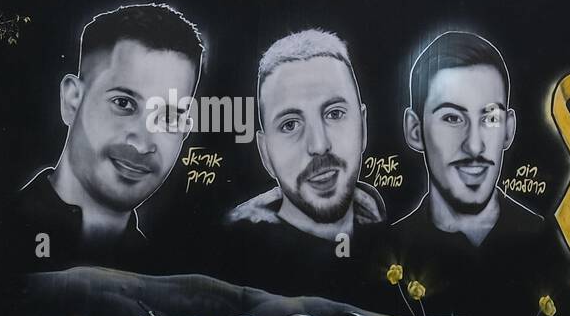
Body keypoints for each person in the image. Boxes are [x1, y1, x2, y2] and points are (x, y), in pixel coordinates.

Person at [11, 3, 204, 270]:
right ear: (72, 100)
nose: (142, 143)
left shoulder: (162, 275)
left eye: (168, 118)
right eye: (123, 103)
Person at [226, 30, 386, 254]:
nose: (319, 146)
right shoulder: (233, 258)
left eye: (335, 114)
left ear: (363, 127)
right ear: (265, 154)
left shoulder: (395, 242)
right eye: (290, 125)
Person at [394, 31, 542, 255]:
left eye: (490, 118)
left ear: (509, 130)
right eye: (452, 118)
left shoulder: (547, 242)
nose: (474, 146)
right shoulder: (391, 248)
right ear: (415, 131)